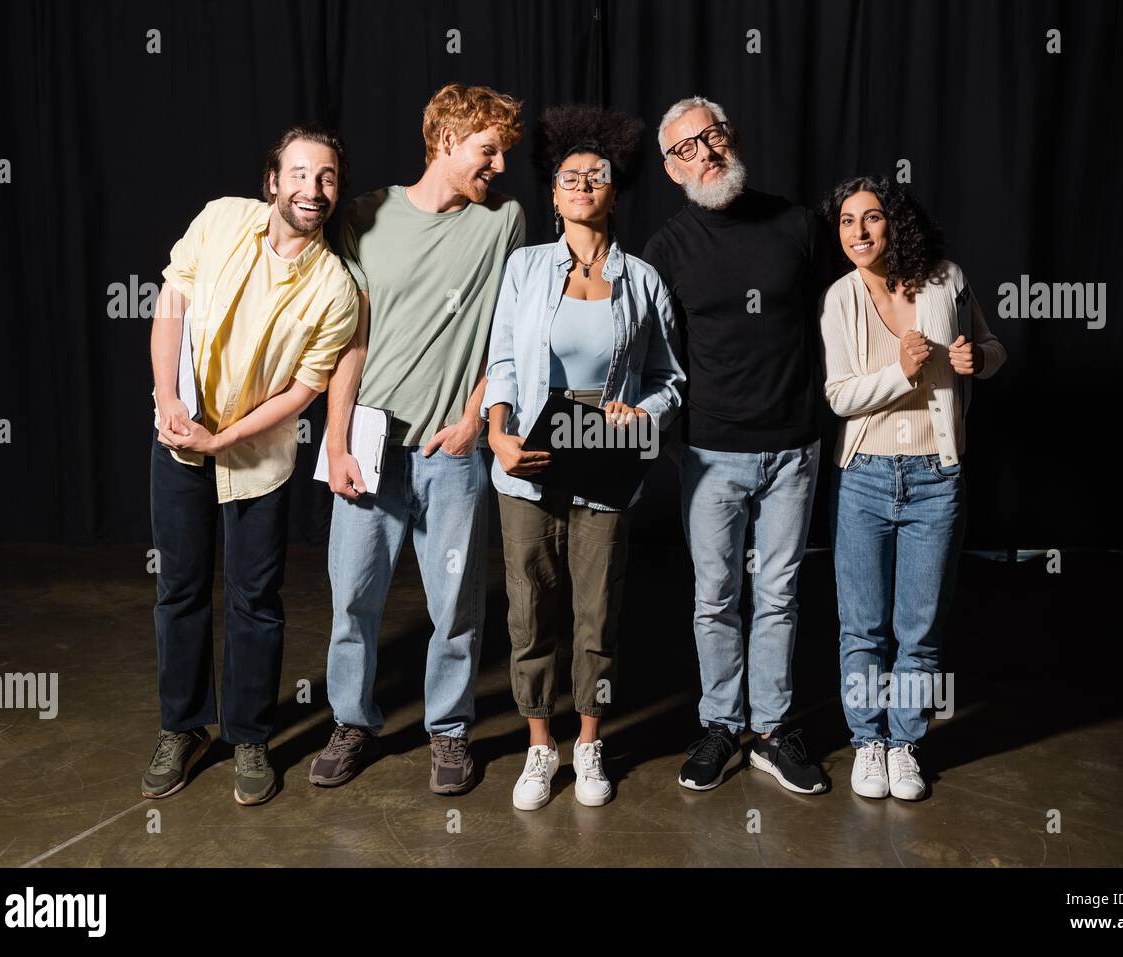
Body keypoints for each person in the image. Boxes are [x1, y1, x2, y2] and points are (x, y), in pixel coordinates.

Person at [310, 83, 525, 795]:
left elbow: (507, 336)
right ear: (444, 142)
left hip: (451, 451)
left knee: (456, 602)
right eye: (487, 148)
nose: (499, 164)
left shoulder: (504, 224)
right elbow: (351, 339)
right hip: (371, 443)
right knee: (353, 596)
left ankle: (449, 731)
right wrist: (336, 441)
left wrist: (472, 418)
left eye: (505, 152)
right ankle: (352, 720)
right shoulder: (368, 215)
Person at [144, 124, 359, 806]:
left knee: (254, 601)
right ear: (273, 180)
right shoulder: (220, 219)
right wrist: (166, 396)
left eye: (325, 178)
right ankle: (183, 728)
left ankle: (248, 736)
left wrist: (225, 437)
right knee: (178, 589)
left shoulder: (336, 288)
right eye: (299, 174)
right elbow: (171, 300)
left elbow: (304, 390)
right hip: (179, 437)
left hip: (258, 457)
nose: (312, 189)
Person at [482, 105, 685, 810]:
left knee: (597, 612)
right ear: (554, 192)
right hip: (531, 456)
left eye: (594, 176)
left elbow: (669, 379)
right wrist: (498, 432)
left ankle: (589, 740)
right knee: (530, 608)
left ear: (613, 190)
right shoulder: (526, 267)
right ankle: (540, 745)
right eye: (568, 176)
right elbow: (503, 358)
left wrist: (644, 412)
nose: (580, 184)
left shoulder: (645, 280)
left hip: (604, 459)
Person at [643, 96, 830, 795]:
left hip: (793, 445)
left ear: (732, 136)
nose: (706, 152)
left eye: (712, 136)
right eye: (687, 148)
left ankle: (774, 731)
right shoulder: (666, 248)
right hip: (711, 452)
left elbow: (839, 317)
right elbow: (656, 356)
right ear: (671, 168)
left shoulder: (796, 224)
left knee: (779, 593)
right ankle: (722, 723)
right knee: (714, 596)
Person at [820, 175, 1006, 801]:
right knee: (863, 626)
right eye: (847, 221)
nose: (859, 232)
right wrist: (899, 372)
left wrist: (979, 361)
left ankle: (905, 744)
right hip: (866, 475)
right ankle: (867, 743)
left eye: (871, 218)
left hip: (936, 476)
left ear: (896, 223)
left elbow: (992, 345)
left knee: (920, 630)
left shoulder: (945, 278)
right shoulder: (840, 298)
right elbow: (840, 395)